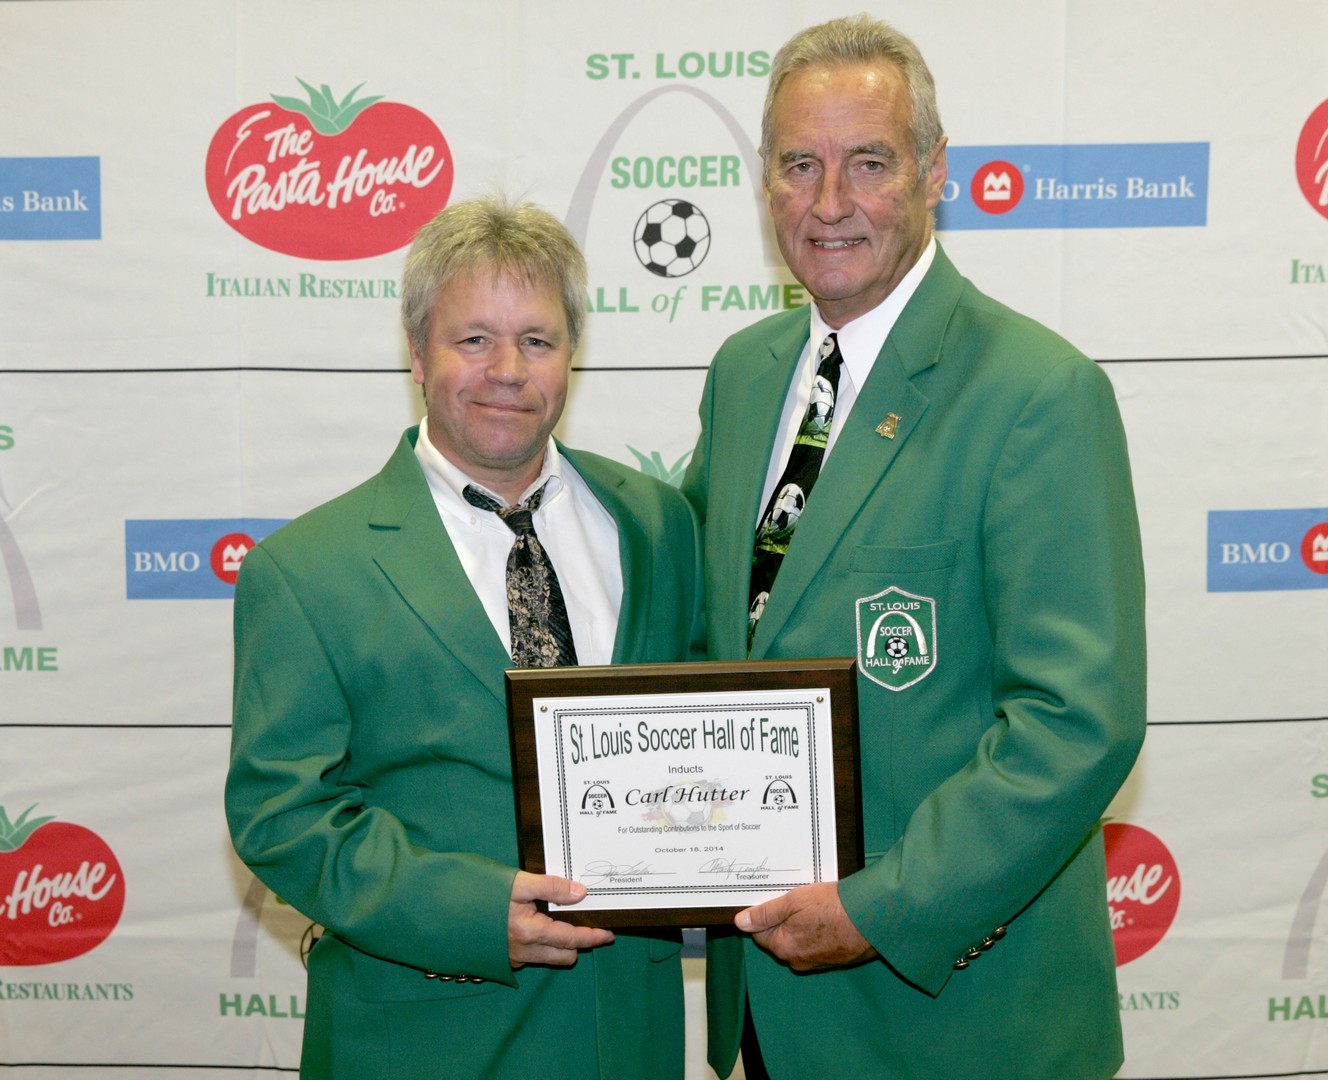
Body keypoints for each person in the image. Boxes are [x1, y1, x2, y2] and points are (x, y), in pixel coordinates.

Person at [682, 15, 1146, 1080]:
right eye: (799, 164)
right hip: (771, 1013)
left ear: (933, 173)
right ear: (764, 181)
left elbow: (1077, 723)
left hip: (959, 1019)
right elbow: (709, 627)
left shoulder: (1036, 393)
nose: (828, 201)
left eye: (868, 163)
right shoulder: (744, 374)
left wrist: (881, 908)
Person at [226, 196, 702, 1079]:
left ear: (573, 354)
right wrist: (471, 911)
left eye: (538, 339)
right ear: (416, 353)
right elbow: (280, 814)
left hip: (627, 1033)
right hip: (424, 1034)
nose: (508, 370)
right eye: (473, 339)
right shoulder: (306, 571)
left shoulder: (658, 524)